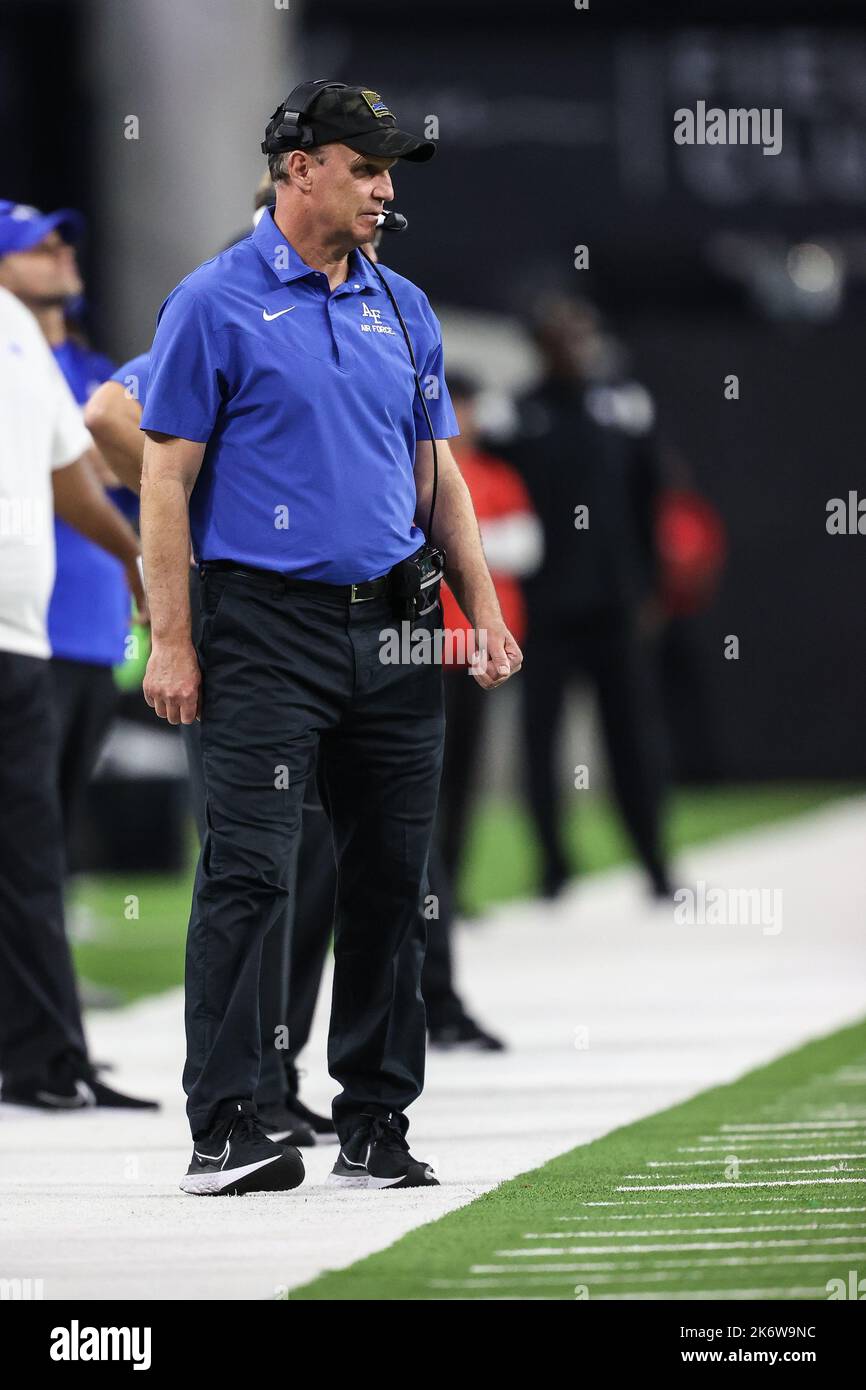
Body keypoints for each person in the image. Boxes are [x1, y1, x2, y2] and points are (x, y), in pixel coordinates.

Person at [138, 80, 522, 1197]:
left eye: (390, 169)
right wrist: (172, 638)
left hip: (397, 623)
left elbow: (434, 473)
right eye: (366, 167)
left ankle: (372, 1119)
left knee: (392, 883)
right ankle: (224, 1123)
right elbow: (165, 478)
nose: (384, 189)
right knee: (253, 872)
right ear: (297, 168)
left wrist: (480, 611)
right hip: (266, 628)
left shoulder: (401, 304)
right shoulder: (211, 302)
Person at [0, 253, 153, 1112]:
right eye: (36, 245)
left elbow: (68, 475)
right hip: (27, 643)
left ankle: (46, 1061)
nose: (59, 259)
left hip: (22, 640)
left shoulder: (19, 331)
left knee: (31, 855)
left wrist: (135, 558)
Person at [505, 296, 672, 899]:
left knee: (634, 736)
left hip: (615, 605)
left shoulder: (623, 408)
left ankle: (655, 864)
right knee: (539, 742)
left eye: (582, 335)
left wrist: (651, 587)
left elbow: (652, 502)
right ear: (540, 347)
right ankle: (552, 867)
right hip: (544, 609)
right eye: (560, 338)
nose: (575, 348)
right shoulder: (517, 415)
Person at [0, 205, 139, 890]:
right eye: (39, 248)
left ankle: (45, 977)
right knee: (23, 827)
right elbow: (89, 469)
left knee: (52, 823)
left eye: (64, 245)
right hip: (30, 629)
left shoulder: (95, 368)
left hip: (95, 626)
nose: (62, 257)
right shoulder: (17, 359)